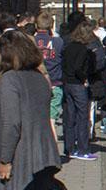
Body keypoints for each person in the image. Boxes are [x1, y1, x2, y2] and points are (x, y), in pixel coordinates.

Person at [0, 30, 61, 190]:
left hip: (21, 159)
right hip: (41, 155)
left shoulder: (10, 80)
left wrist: (5, 160)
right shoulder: (39, 77)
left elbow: (12, 123)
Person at [60, 20, 97, 160]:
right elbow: (78, 67)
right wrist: (84, 79)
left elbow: (64, 64)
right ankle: (83, 149)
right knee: (82, 117)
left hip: (67, 83)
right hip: (77, 84)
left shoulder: (68, 47)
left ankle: (69, 149)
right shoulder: (83, 49)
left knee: (70, 117)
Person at [32, 13, 64, 142]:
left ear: (36, 25)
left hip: (35, 85)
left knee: (36, 122)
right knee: (51, 122)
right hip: (55, 84)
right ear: (51, 25)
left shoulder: (31, 42)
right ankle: (53, 150)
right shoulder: (58, 42)